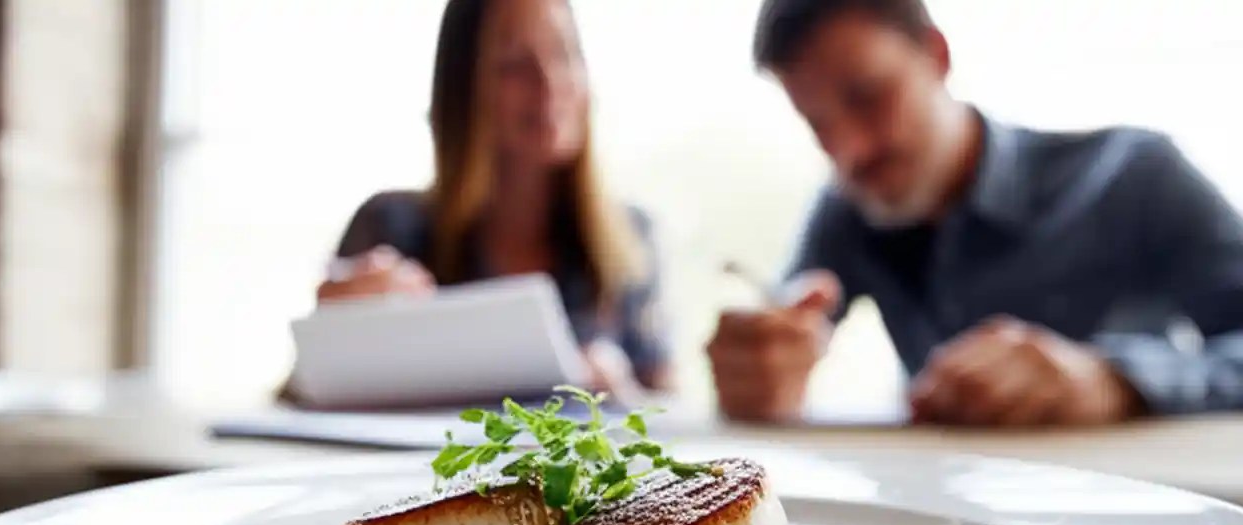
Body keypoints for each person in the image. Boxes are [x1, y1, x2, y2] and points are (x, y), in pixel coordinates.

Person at [708, 0, 1243, 426]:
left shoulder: (1135, 173)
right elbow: (782, 331)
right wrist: (759, 370)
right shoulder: (846, 206)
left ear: (936, 55)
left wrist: (1115, 379)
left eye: (868, 97)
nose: (849, 151)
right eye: (818, 125)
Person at [316, 0, 671, 397]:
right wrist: (332, 343)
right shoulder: (390, 226)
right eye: (514, 63)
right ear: (462, 86)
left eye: (563, 53)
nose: (548, 81)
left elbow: (668, 407)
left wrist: (623, 394)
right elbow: (296, 399)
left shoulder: (630, 238)